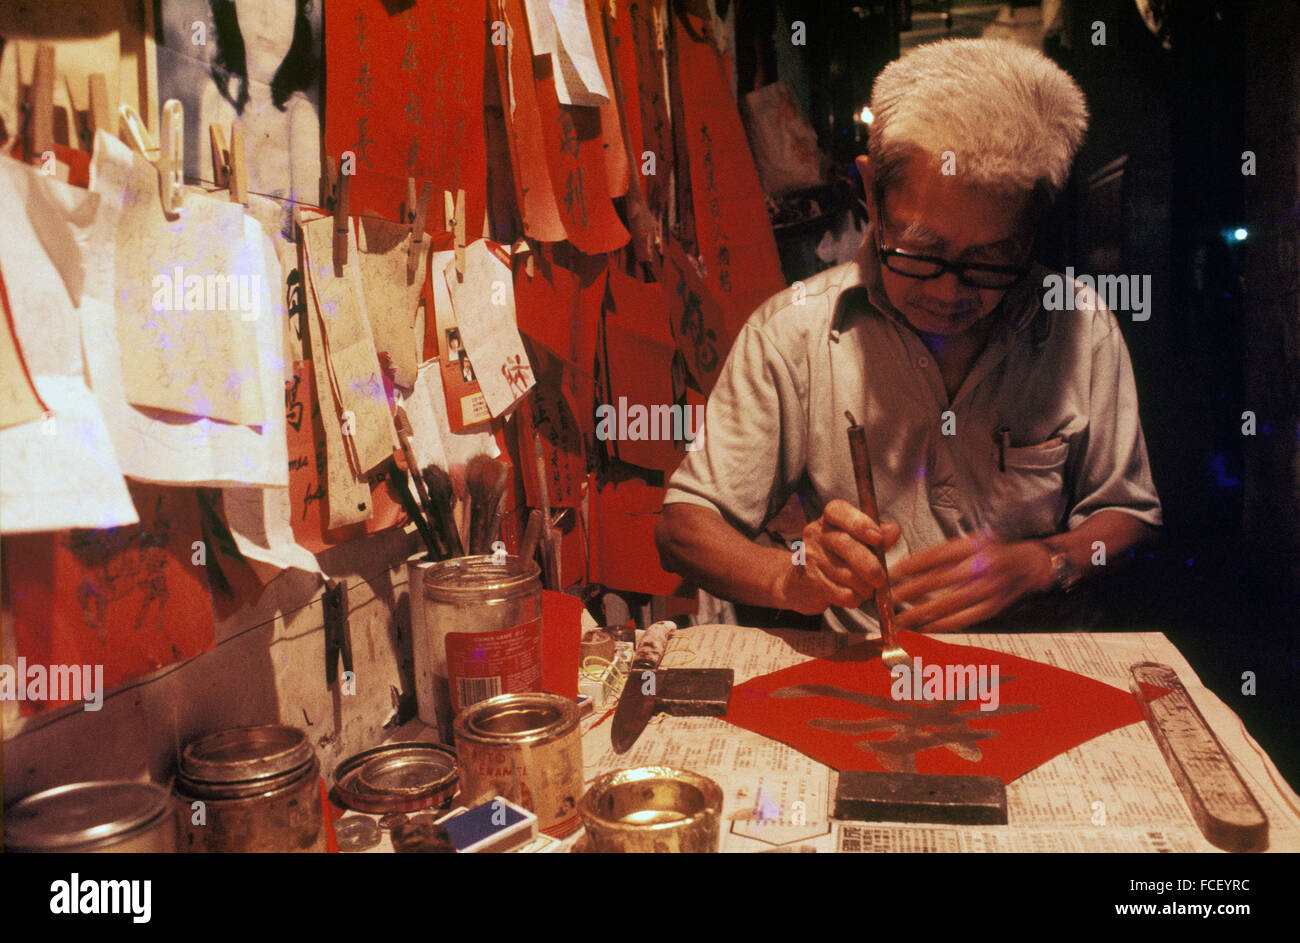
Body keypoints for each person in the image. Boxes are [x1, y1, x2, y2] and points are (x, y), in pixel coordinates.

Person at [656, 38, 1162, 635]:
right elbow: (684, 527)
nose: (949, 293)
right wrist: (787, 578)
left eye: (991, 259)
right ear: (871, 192)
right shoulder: (793, 331)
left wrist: (1045, 562)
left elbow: (1126, 513)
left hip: (1038, 659)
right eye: (921, 250)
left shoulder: (1080, 326)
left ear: (1031, 226)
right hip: (871, 663)